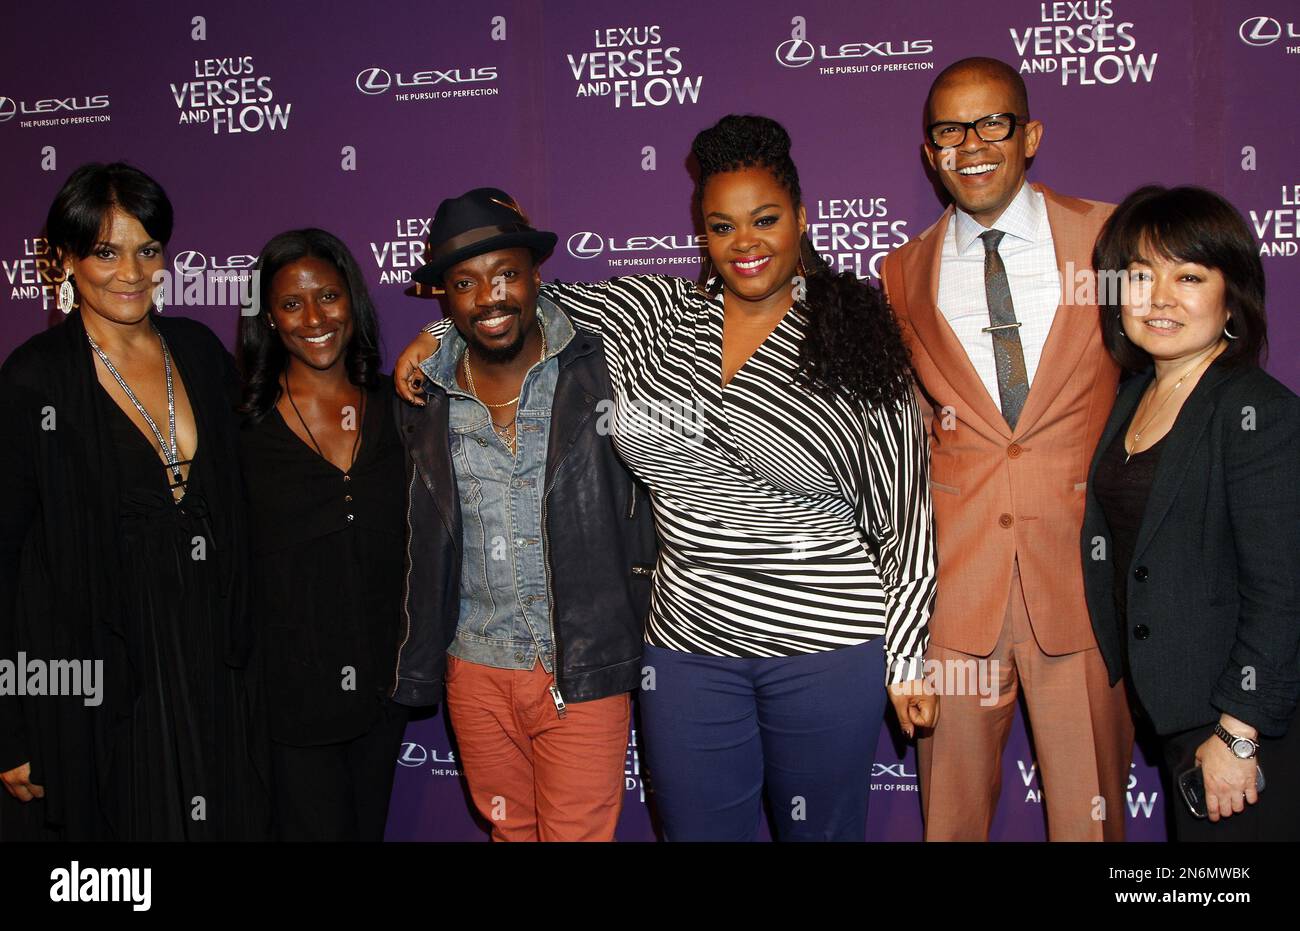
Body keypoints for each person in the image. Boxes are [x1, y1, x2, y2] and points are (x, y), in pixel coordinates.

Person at [398, 118, 937, 842]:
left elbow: (905, 521)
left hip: (823, 649)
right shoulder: (659, 317)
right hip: (685, 651)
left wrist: (905, 659)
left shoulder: (855, 345)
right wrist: (433, 334)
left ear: (803, 218)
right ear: (703, 234)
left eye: (765, 219)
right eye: (722, 226)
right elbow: (521, 308)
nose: (745, 242)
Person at [878, 57, 1133, 841]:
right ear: (930, 153)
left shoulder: (1109, 238)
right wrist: (905, 631)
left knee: (1091, 820)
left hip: (1082, 588)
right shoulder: (901, 273)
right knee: (949, 822)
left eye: (993, 123)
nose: (973, 144)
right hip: (958, 599)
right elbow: (902, 452)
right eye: (950, 130)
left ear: (1030, 135)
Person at [0, 162, 269, 840]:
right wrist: (9, 728)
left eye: (147, 249)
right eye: (105, 250)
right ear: (63, 259)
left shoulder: (202, 352)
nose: (131, 271)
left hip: (213, 662)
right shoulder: (34, 380)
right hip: (107, 676)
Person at [390, 188, 657, 841]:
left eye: (507, 273)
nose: (491, 296)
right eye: (465, 283)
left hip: (581, 660)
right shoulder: (421, 400)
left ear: (537, 275)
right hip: (475, 668)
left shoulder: (601, 365)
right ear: (444, 299)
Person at [1082, 185, 1300, 841]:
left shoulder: (1255, 411)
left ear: (1231, 295)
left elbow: (1282, 586)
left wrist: (1238, 732)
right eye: (1141, 276)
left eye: (1189, 276)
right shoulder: (1135, 396)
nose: (1160, 298)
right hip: (1178, 716)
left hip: (1245, 726)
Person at [237, 229, 409, 841]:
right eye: (291, 303)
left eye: (329, 296)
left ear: (353, 303)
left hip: (381, 694)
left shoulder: (399, 408)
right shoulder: (242, 426)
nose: (314, 318)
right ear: (268, 317)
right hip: (288, 702)